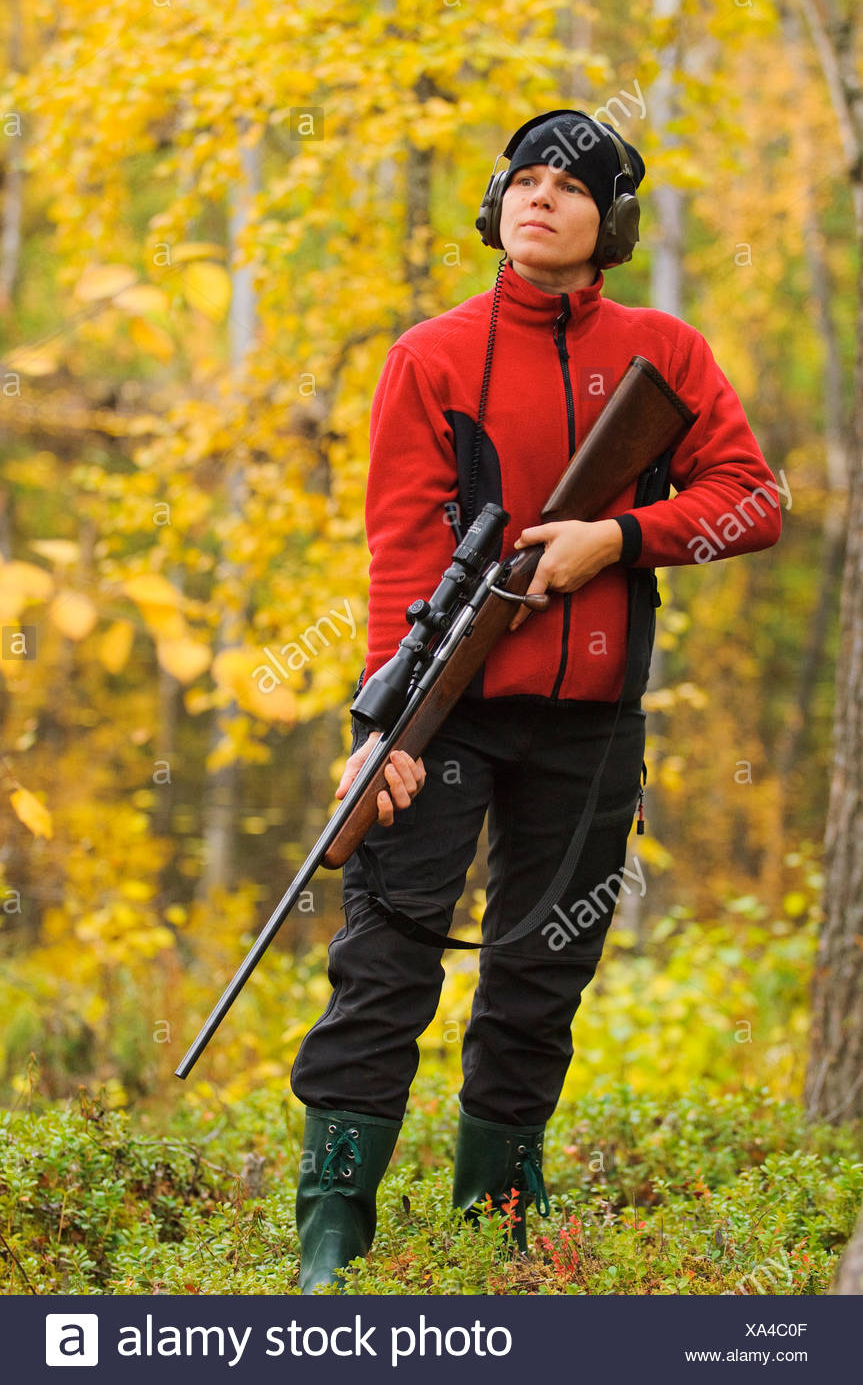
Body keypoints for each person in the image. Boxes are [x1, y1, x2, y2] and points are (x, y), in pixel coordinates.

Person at [289, 109, 782, 1293]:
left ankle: (496, 1216)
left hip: (593, 721)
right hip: (446, 715)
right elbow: (401, 552)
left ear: (606, 223)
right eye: (524, 179)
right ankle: (330, 1231)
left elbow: (753, 502)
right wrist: (380, 731)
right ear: (496, 203)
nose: (539, 197)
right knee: (384, 964)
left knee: (536, 975)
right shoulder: (431, 355)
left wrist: (615, 539)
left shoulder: (665, 351)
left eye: (571, 185)